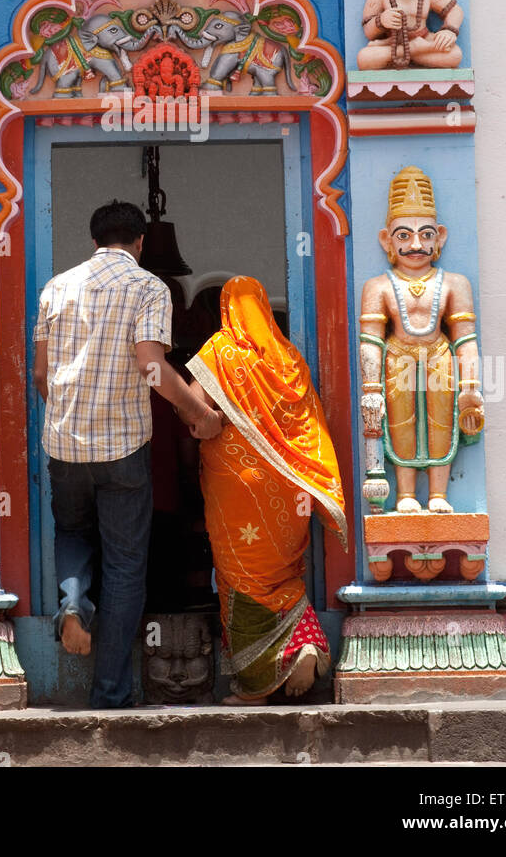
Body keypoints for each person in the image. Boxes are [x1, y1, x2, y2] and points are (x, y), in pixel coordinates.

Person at [32, 200, 221, 709]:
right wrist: (196, 415)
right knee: (124, 566)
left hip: (64, 445)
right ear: (139, 243)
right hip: (123, 450)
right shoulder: (148, 287)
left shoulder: (57, 286)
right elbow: (152, 367)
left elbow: (39, 375)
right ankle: (110, 692)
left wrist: (69, 416)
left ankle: (73, 603)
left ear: (94, 241)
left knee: (72, 532)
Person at [186, 276, 347, 704]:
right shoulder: (289, 359)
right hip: (288, 491)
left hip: (235, 486)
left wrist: (204, 424)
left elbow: (192, 405)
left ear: (227, 311)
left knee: (242, 579)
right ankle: (304, 642)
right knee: (283, 576)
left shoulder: (219, 350)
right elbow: (309, 427)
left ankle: (257, 686)